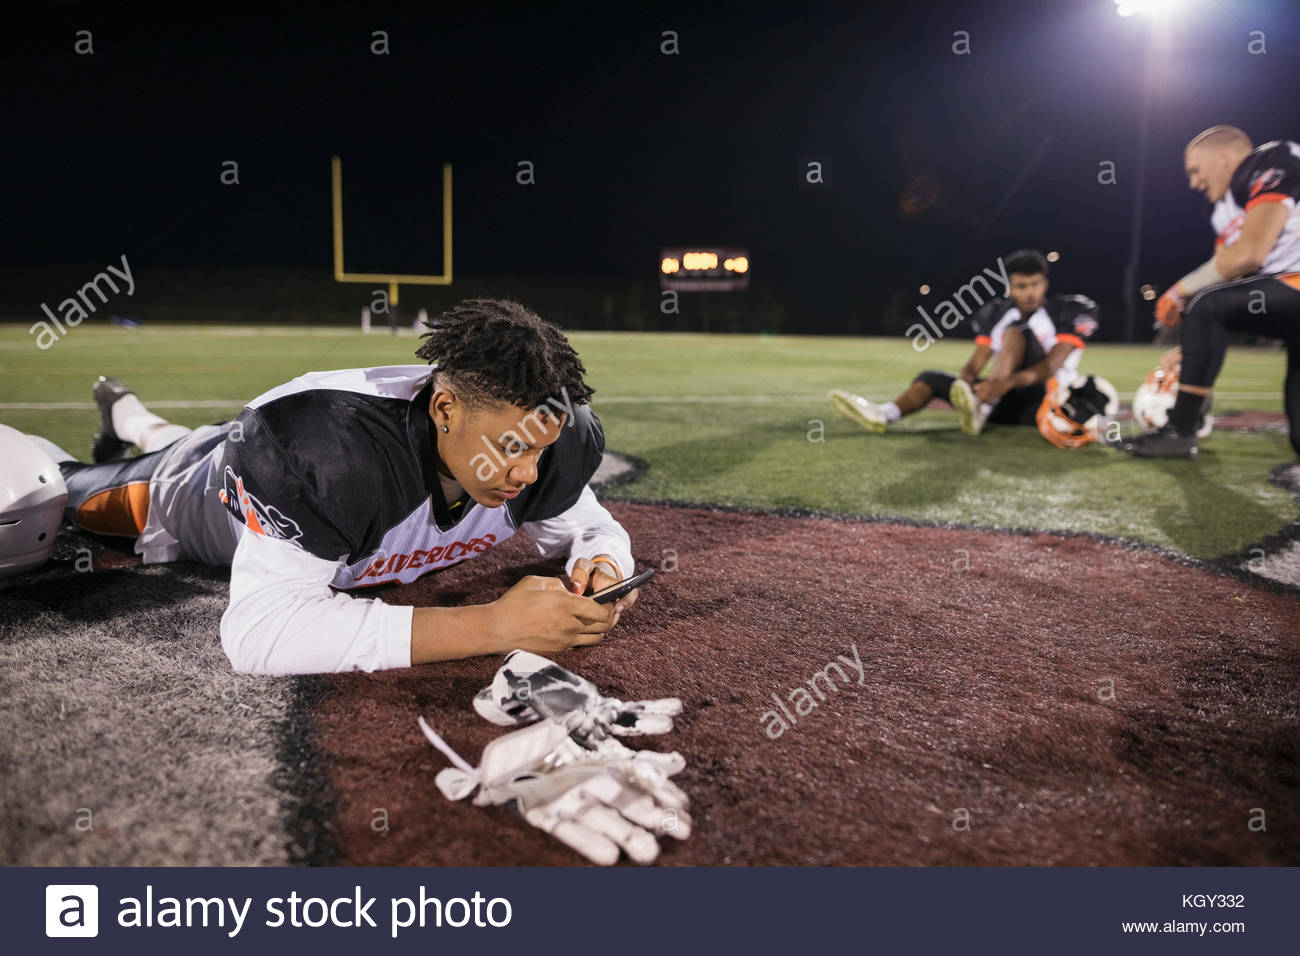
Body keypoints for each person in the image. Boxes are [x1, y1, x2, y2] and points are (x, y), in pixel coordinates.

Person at [16, 299, 638, 675]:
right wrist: (494, 626)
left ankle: (125, 410)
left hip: (264, 460)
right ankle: (104, 436)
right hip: (195, 492)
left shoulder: (546, 436)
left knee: (163, 434)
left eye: (541, 448)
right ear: (444, 408)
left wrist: (604, 562)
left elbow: (586, 524)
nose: (529, 472)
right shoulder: (326, 449)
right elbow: (261, 635)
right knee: (54, 499)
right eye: (511, 447)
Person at [1121, 126, 1300, 459]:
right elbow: (1231, 275)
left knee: (1205, 303)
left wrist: (1178, 291)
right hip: (1287, 298)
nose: (1194, 183)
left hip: (1293, 285)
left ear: (1225, 157)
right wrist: (1193, 345)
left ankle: (1180, 431)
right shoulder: (1219, 209)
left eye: (1195, 170)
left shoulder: (1272, 160)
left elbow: (1249, 255)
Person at [829, 250, 1099, 436]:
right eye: (1021, 286)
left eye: (1035, 284)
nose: (1030, 293)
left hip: (1043, 405)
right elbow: (976, 362)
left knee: (1018, 332)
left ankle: (983, 407)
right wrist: (967, 382)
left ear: (1045, 283)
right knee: (930, 378)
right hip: (1001, 403)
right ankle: (885, 414)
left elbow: (1050, 367)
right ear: (1008, 288)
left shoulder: (1068, 310)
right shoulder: (996, 313)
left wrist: (1003, 384)